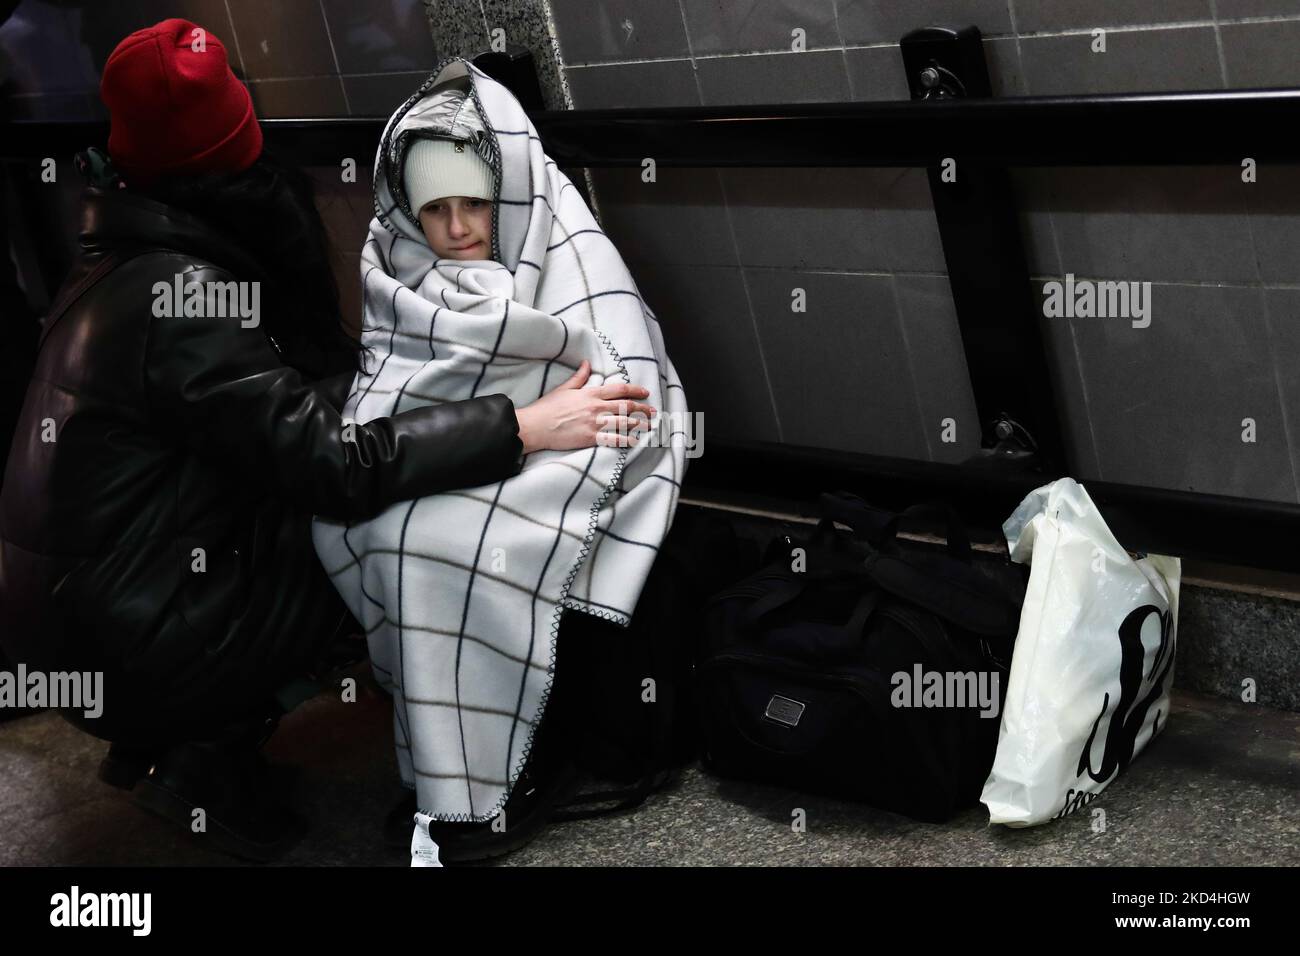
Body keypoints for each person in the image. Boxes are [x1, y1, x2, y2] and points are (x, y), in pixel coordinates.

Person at [0, 17, 654, 862]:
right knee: (368, 537)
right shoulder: (183, 294)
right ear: (241, 150)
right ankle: (209, 750)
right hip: (133, 638)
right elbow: (334, 466)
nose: (454, 228)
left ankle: (197, 747)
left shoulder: (112, 255)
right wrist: (520, 425)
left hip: (74, 626)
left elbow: (271, 417)